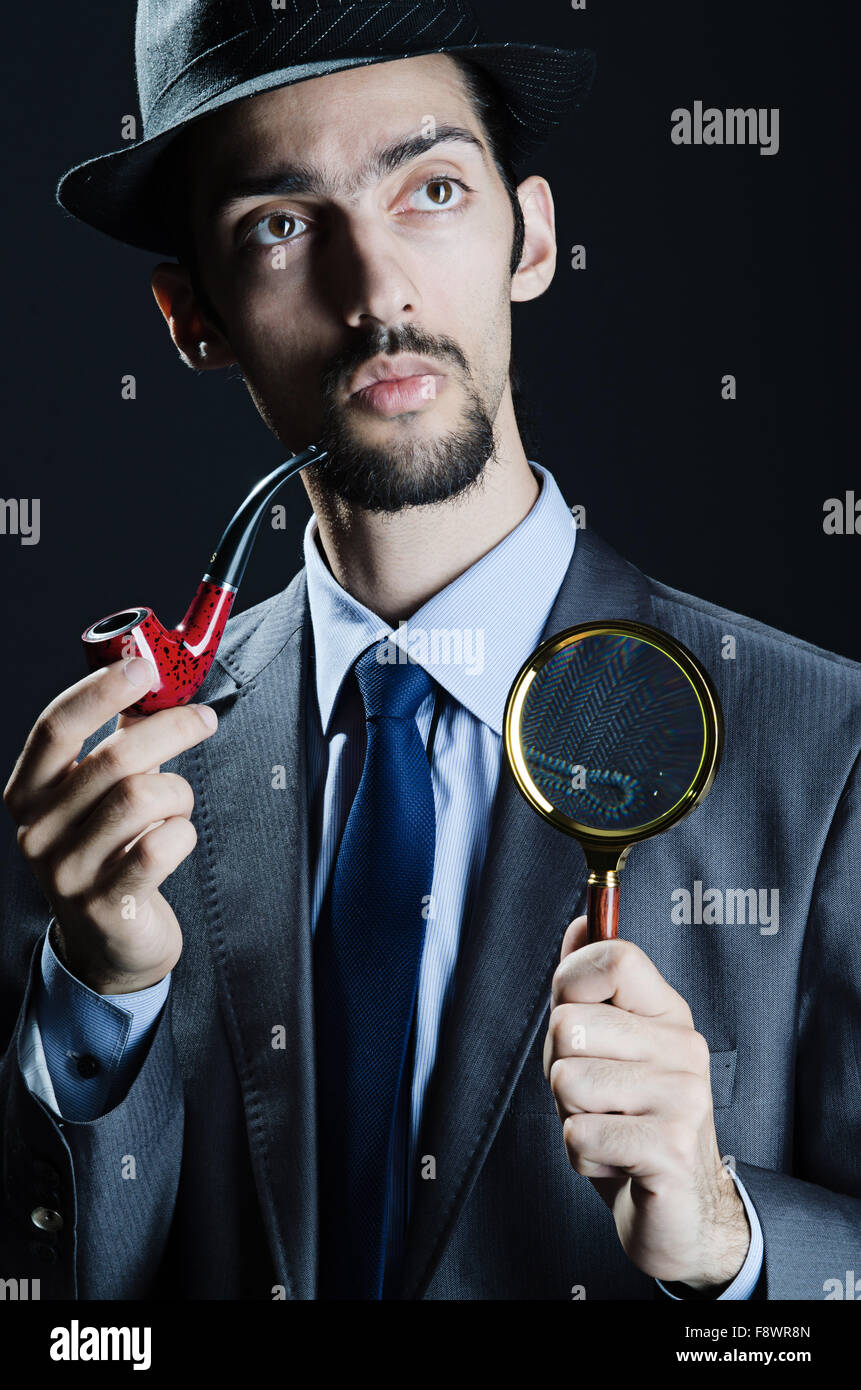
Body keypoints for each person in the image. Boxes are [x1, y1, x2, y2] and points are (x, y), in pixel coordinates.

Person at [1, 0, 859, 1302]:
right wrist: (92, 1002)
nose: (376, 287)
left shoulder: (828, 748)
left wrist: (732, 1242)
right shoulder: (119, 795)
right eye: (280, 226)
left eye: (433, 188)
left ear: (533, 234)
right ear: (193, 316)